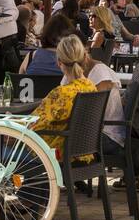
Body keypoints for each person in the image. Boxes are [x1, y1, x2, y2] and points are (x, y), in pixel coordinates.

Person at [31, 35, 99, 164]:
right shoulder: (91, 87)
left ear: (59, 62)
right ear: (85, 57)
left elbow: (34, 125)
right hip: (83, 153)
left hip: (51, 154)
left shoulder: (61, 93)